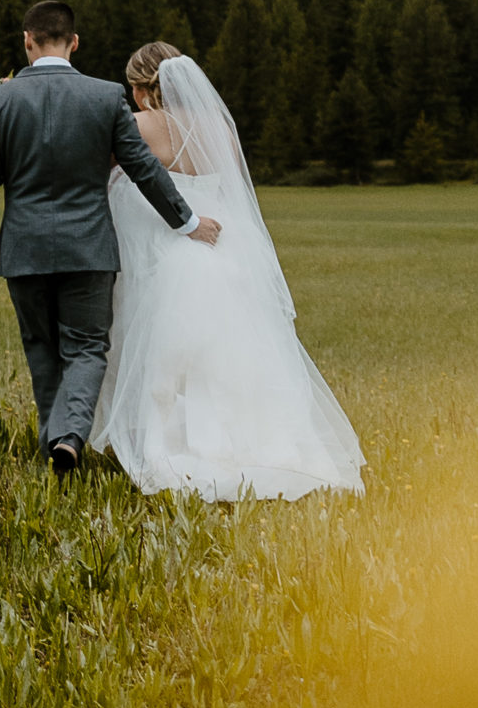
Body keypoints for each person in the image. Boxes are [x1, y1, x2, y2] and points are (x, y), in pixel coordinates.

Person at [0, 0, 222, 477]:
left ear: (27, 41)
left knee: (42, 347)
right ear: (74, 42)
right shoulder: (105, 97)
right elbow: (143, 169)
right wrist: (187, 222)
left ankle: (57, 441)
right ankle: (70, 437)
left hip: (25, 250)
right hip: (90, 249)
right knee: (85, 348)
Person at [89, 41, 364, 499]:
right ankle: (254, 441)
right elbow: (229, 188)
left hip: (167, 249)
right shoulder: (220, 127)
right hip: (228, 250)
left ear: (140, 90)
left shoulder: (137, 125)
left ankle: (170, 442)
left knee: (161, 351)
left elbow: (100, 177)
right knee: (231, 353)